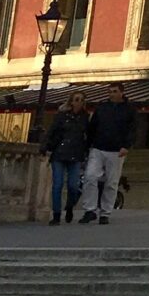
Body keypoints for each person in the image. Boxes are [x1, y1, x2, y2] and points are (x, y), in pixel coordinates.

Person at [79, 81, 138, 226]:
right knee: (90, 176)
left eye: (114, 91)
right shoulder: (102, 108)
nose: (112, 94)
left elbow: (133, 129)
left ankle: (105, 212)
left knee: (111, 182)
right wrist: (88, 146)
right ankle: (90, 210)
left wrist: (126, 145)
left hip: (117, 150)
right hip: (98, 147)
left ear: (121, 92)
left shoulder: (129, 110)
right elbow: (92, 127)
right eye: (110, 91)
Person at [41, 89, 91, 225]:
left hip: (76, 154)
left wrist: (87, 150)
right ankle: (56, 214)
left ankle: (69, 207)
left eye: (81, 100)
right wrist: (45, 146)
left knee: (73, 186)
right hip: (60, 153)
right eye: (76, 99)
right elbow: (52, 131)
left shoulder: (86, 118)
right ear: (71, 101)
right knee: (57, 185)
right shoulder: (62, 116)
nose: (79, 102)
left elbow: (89, 136)